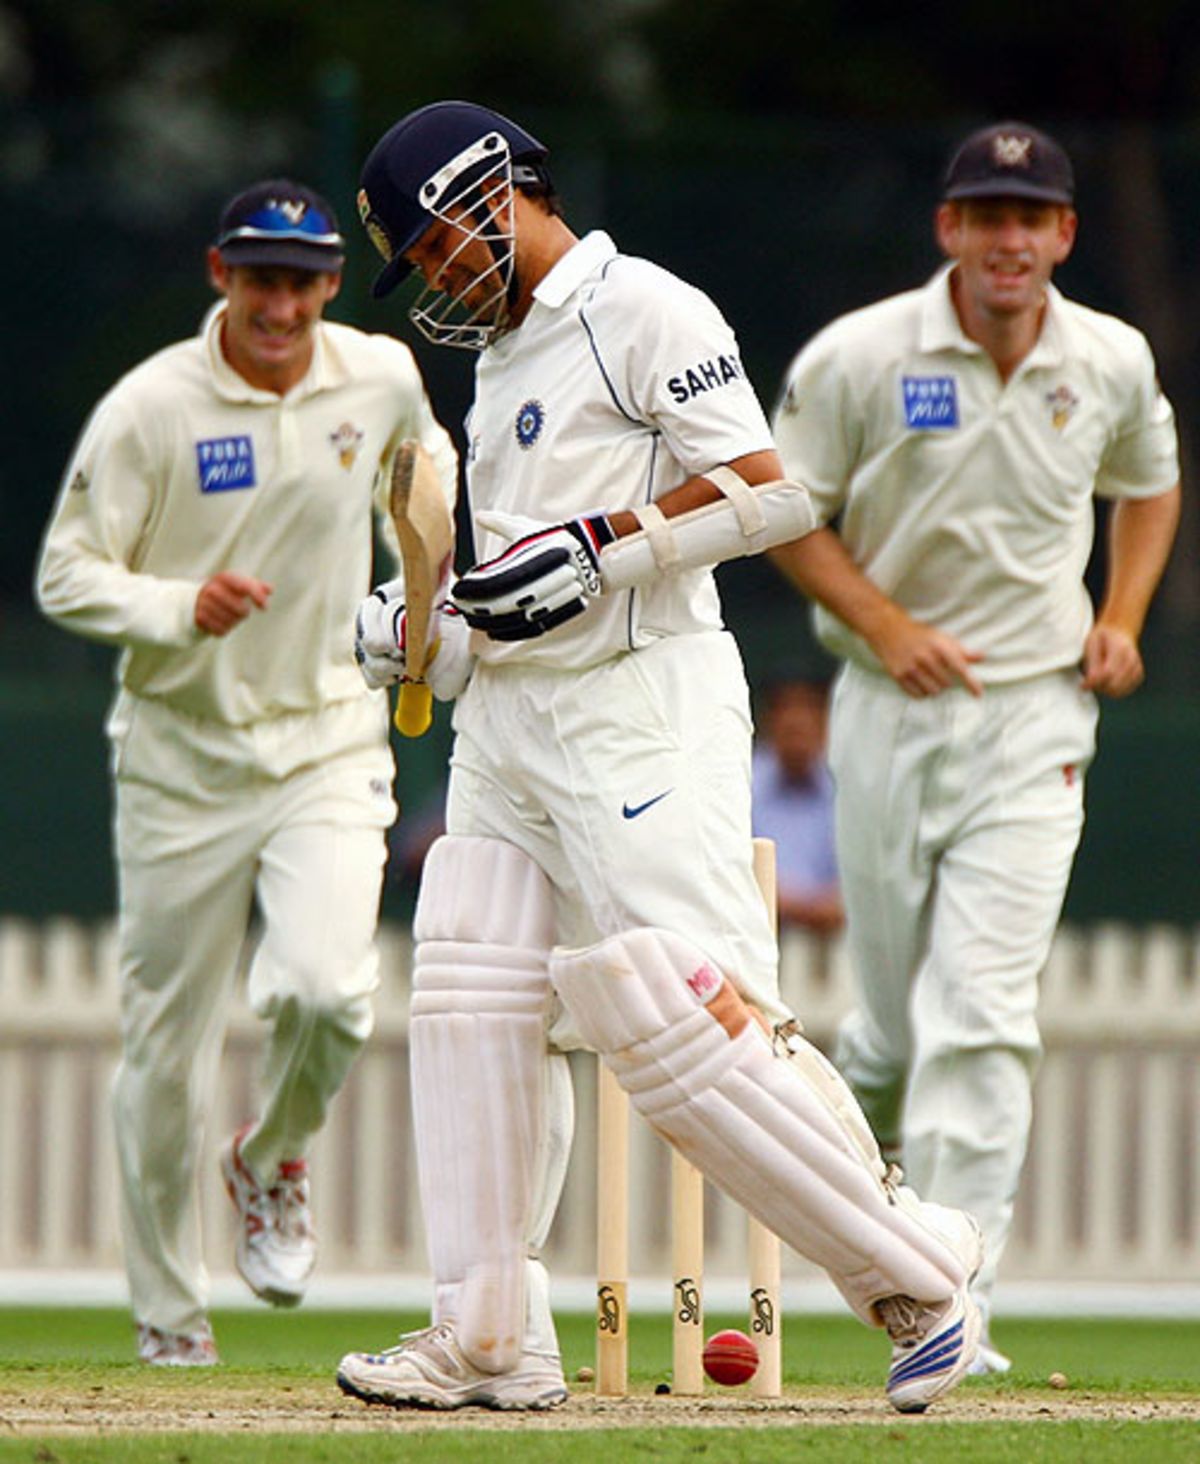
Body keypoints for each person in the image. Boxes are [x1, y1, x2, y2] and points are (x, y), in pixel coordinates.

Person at [340, 99, 987, 1417]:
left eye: (435, 249)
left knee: (680, 1013)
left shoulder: (645, 307)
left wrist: (598, 548)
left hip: (643, 705)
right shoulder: (506, 356)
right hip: (511, 724)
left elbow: (768, 489)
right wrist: (430, 629)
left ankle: (917, 1273)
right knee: (471, 986)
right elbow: (512, 583)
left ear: (493, 195)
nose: (438, 281)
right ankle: (485, 1335)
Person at [770, 121, 1181, 1373]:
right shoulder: (862, 354)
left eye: (1032, 218)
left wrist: (1119, 618)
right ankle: (876, 1224)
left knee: (984, 1016)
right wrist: (886, 626)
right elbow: (788, 508)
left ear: (1064, 233)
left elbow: (1150, 485)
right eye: (986, 216)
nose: (1010, 240)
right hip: (892, 709)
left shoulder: (1108, 357)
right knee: (891, 1038)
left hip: (1036, 714)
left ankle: (955, 1295)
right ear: (948, 229)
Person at [34, 179, 457, 1365]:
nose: (281, 303)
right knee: (162, 1050)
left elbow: (423, 491)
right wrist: (180, 604)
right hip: (179, 758)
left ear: (330, 285)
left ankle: (270, 1154)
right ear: (223, 277)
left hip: (326, 732)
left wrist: (419, 601)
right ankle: (172, 1321)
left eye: (303, 280)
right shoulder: (150, 408)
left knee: (326, 992)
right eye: (259, 278)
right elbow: (70, 575)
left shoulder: (373, 377)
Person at [751, 677, 844, 933]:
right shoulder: (741, 783)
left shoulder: (845, 784)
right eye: (786, 708)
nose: (797, 720)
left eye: (809, 707)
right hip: (760, 928)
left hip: (834, 937)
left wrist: (834, 904)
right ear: (770, 720)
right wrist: (797, 907)